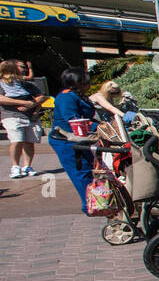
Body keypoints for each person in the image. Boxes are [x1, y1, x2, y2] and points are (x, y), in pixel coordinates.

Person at [49, 69, 97, 212]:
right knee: (81, 172)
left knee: (88, 170)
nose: (89, 83)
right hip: (67, 141)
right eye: (86, 80)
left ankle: (94, 202)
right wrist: (99, 126)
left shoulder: (78, 95)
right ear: (78, 81)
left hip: (80, 139)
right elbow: (73, 120)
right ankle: (90, 206)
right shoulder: (66, 97)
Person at [0, 59, 46, 178]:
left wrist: (32, 105)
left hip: (31, 117)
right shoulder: (1, 83)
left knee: (29, 143)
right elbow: (1, 99)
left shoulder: (26, 83)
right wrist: (24, 102)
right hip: (12, 116)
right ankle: (15, 167)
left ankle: (27, 166)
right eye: (21, 67)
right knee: (17, 141)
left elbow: (42, 96)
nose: (23, 69)